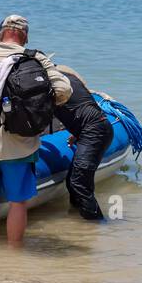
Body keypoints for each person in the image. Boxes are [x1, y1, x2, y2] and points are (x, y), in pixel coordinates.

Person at [0, 14, 70, 243]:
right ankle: (15, 254)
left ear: (2, 32)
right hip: (20, 145)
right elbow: (64, 90)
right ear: (25, 36)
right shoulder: (36, 59)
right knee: (18, 203)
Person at [50, 64, 111, 220]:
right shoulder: (66, 79)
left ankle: (96, 224)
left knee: (78, 183)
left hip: (95, 132)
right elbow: (81, 107)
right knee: (73, 183)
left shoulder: (53, 85)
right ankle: (80, 225)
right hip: (95, 129)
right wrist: (77, 133)